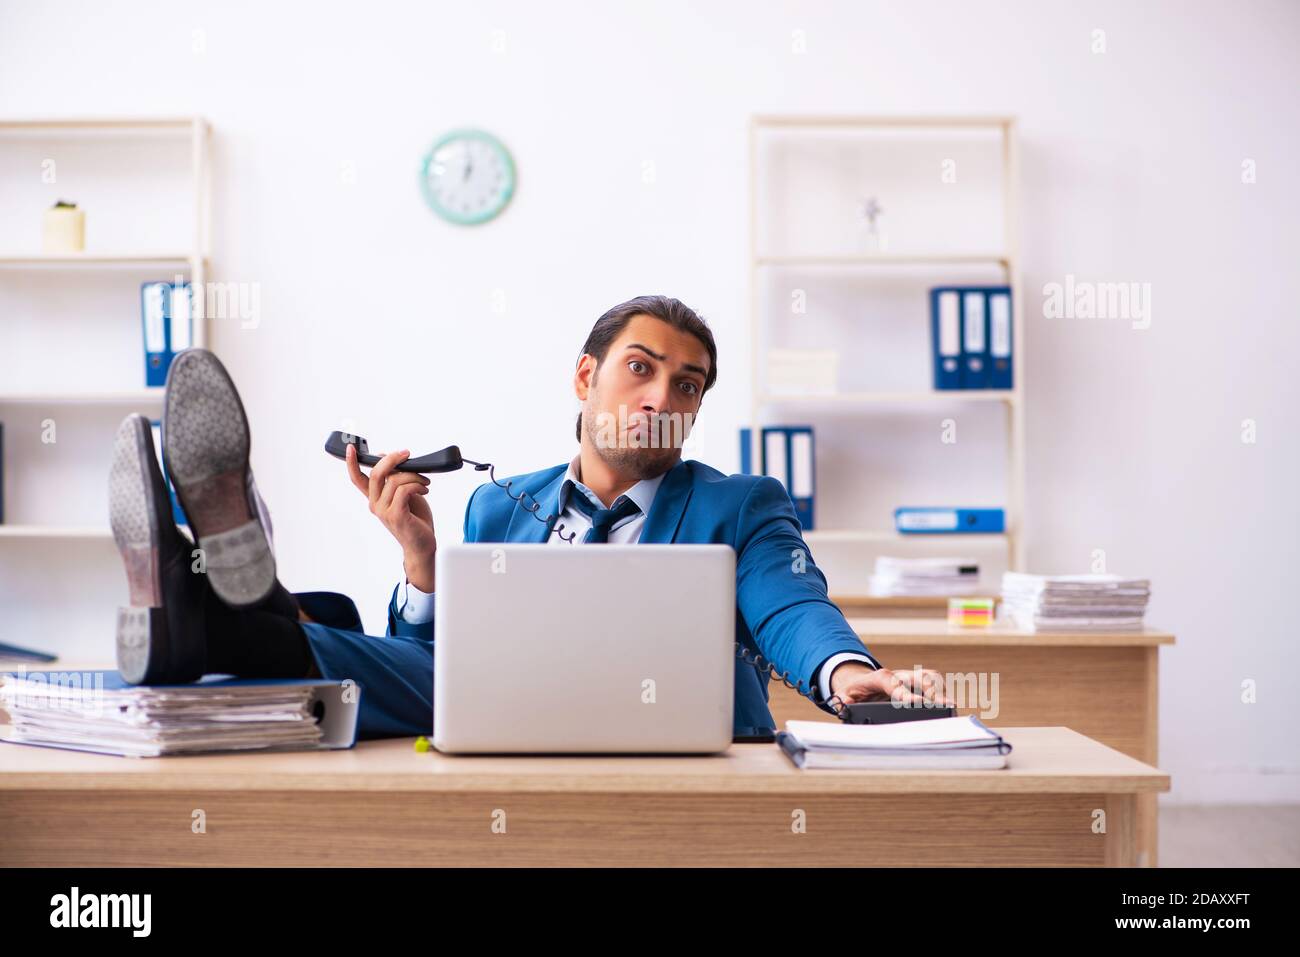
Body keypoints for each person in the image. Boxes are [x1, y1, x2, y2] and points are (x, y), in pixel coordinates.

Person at [109, 295, 952, 739]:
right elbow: (438, 669)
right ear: (585, 379)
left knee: (352, 651)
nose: (663, 395)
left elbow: (791, 607)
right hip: (513, 729)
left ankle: (225, 615)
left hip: (683, 741)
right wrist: (424, 566)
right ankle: (221, 624)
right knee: (388, 649)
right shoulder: (496, 505)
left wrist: (845, 675)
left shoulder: (742, 504)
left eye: (687, 384)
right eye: (641, 368)